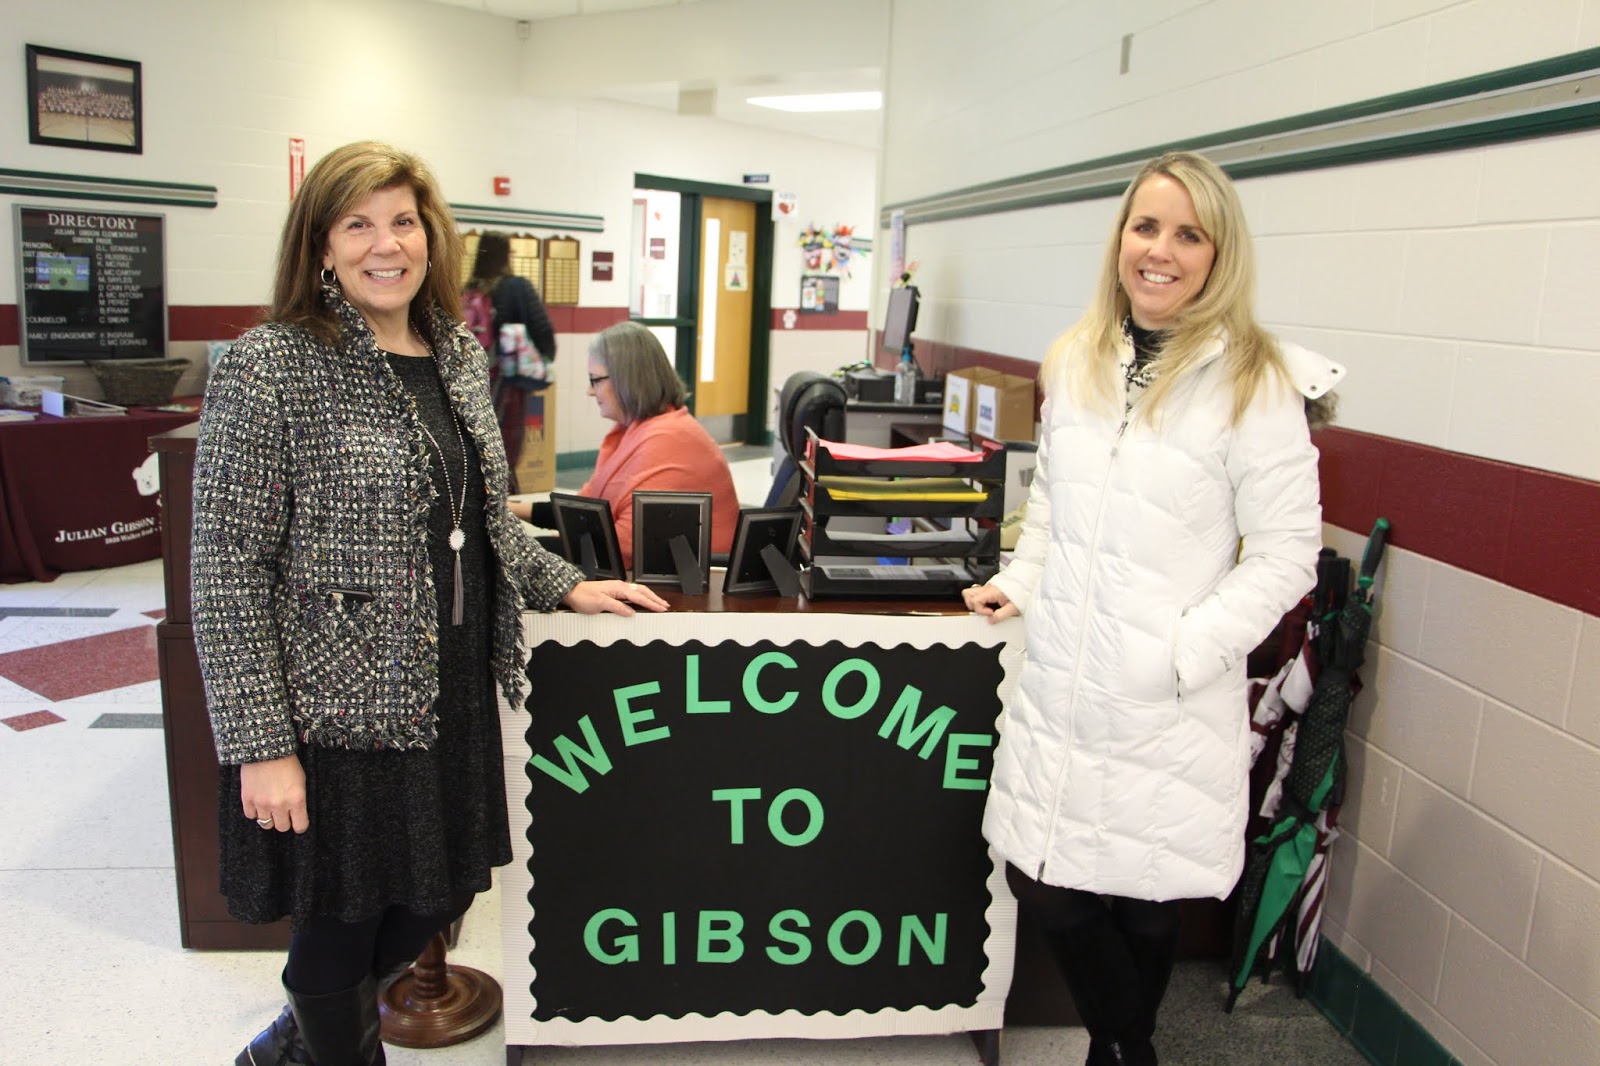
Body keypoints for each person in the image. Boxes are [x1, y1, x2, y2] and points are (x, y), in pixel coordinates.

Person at [190, 140, 668, 1066]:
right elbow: (225, 567)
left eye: (402, 221)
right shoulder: (272, 365)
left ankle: (285, 1048)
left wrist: (564, 581)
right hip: (335, 710)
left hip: (446, 692)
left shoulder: (452, 352)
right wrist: (261, 746)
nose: (385, 244)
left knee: (427, 901)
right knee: (339, 929)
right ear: (320, 246)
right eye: (358, 224)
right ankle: (329, 1048)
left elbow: (483, 519)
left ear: (430, 235)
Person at [962, 151, 1343, 1066]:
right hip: (1064, 678)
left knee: (1143, 889)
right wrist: (1018, 581)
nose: (1160, 251)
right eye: (1145, 226)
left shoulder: (1257, 381)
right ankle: (1130, 1045)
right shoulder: (1078, 357)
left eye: (1187, 233)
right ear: (1120, 238)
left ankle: (1118, 1049)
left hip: (1165, 685)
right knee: (1042, 875)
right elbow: (1052, 505)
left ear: (1218, 253)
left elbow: (1290, 551)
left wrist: (1187, 649)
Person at [509, 321, 739, 569]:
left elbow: (616, 552)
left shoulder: (669, 440)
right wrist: (510, 508)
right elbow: (585, 511)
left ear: (627, 379)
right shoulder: (637, 429)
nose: (589, 391)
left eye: (595, 380)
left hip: (685, 587)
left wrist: (516, 551)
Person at [464, 230, 556, 490]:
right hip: (509, 378)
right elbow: (542, 329)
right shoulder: (516, 286)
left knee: (479, 446)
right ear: (506, 255)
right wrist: (543, 358)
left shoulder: (469, 290)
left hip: (474, 382)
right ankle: (505, 502)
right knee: (506, 447)